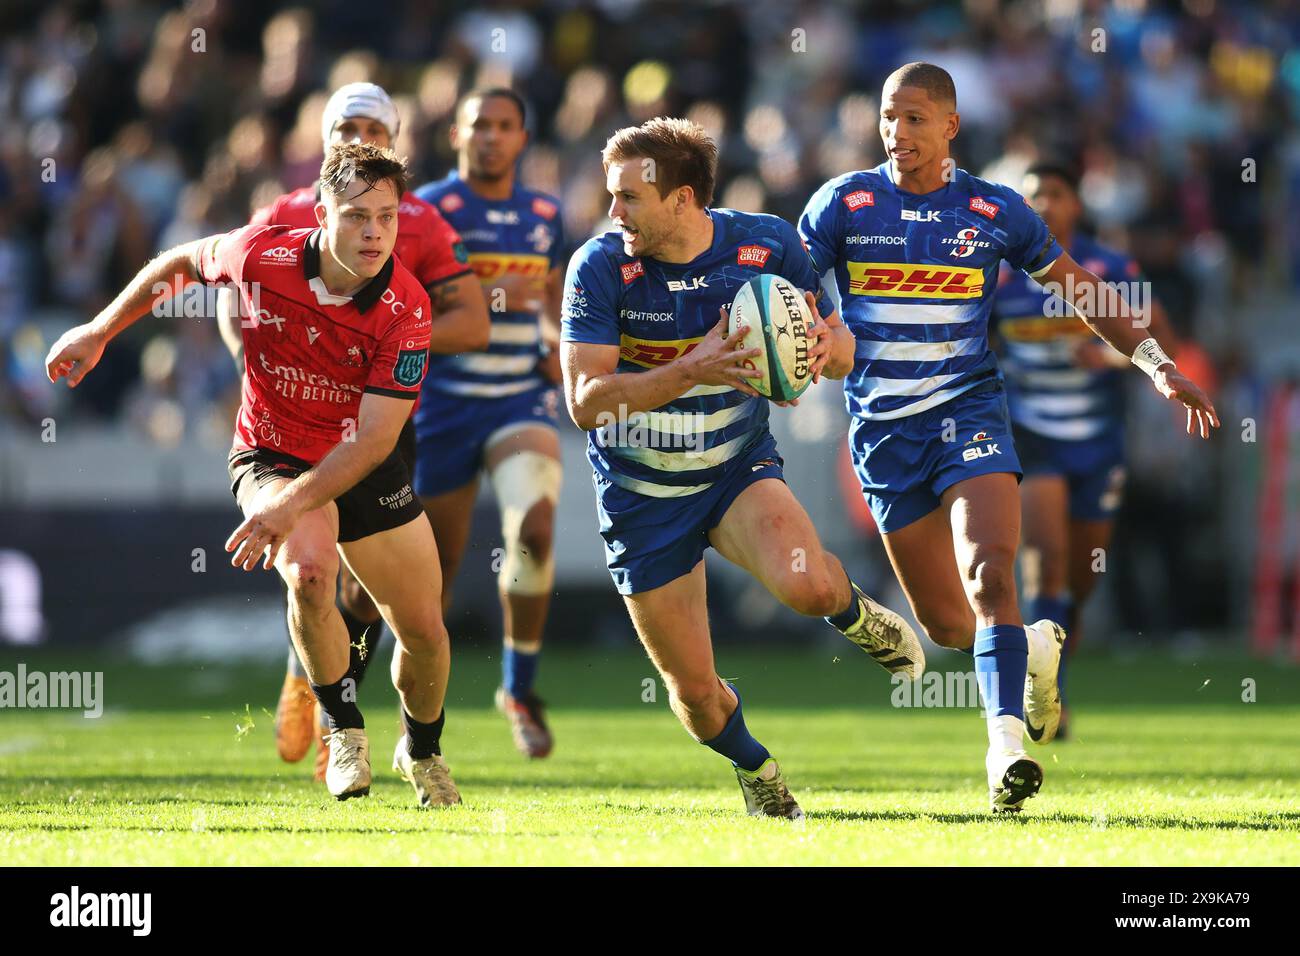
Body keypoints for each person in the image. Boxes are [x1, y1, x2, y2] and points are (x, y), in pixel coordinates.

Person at [799, 63, 1218, 812]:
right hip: (884, 434)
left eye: (917, 117)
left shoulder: (994, 210)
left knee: (994, 574)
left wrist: (1155, 364)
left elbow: (1082, 288)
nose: (900, 132)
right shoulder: (844, 203)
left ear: (952, 125)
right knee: (948, 625)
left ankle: (1004, 751)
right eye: (890, 117)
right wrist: (813, 339)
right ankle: (1037, 650)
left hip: (969, 414)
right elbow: (791, 295)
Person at [46, 143, 464, 807]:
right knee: (308, 570)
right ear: (320, 211)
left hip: (360, 460)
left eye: (386, 217)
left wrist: (284, 509)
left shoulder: (406, 306)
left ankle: (422, 748)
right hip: (271, 452)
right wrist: (100, 330)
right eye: (357, 216)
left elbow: (376, 440)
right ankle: (344, 729)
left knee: (424, 632)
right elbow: (181, 262)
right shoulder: (261, 254)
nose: (374, 232)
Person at [561, 117, 924, 821]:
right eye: (611, 196)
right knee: (695, 696)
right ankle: (757, 769)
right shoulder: (601, 267)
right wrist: (690, 366)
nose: (613, 212)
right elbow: (586, 403)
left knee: (807, 585)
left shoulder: (767, 245)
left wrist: (827, 351)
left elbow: (841, 346)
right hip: (641, 496)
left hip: (735, 468)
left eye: (629, 198)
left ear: (684, 200)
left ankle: (856, 615)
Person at [217, 82, 489, 782]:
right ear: (323, 137)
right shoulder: (279, 216)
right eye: (345, 125)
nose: (357, 136)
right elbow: (223, 283)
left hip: (380, 426)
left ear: (394, 140)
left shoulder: (419, 224)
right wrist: (258, 356)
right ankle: (337, 715)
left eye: (372, 126)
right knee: (312, 572)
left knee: (390, 605)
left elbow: (472, 322)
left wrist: (391, 345)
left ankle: (364, 709)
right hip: (289, 433)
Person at [990, 161, 1180, 738]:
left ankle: (1053, 673)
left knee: (1082, 577)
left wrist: (1112, 355)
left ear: (1076, 203)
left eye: (1054, 193)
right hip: (1033, 436)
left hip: (1098, 440)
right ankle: (1050, 701)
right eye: (1033, 196)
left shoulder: (1109, 268)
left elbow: (1161, 341)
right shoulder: (999, 277)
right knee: (1046, 561)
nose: (1044, 203)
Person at [413, 89, 564, 758]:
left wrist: (562, 347)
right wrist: (495, 295)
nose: (492, 138)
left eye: (505, 126)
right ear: (456, 133)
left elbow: (559, 304)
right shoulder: (427, 211)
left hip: (519, 400)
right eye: (481, 126)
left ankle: (518, 687)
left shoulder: (546, 214)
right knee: (433, 578)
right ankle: (421, 724)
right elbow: (406, 302)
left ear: (523, 138)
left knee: (535, 524)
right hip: (442, 405)